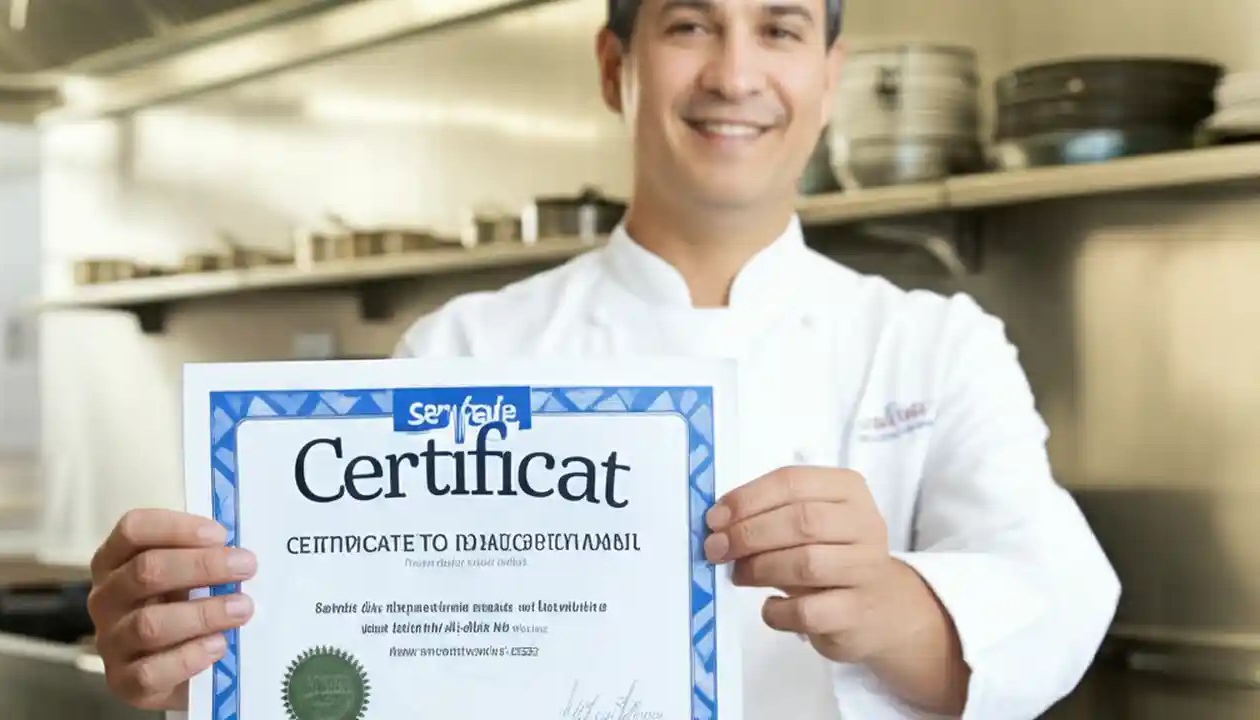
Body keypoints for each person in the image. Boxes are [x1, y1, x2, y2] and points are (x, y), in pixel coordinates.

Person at [86, 0, 1120, 718]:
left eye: (779, 29)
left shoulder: (933, 343)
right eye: (687, 25)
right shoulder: (459, 348)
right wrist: (205, 658)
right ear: (612, 66)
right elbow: (357, 642)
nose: (734, 73)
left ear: (829, 75)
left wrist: (889, 599)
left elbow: (1054, 596)